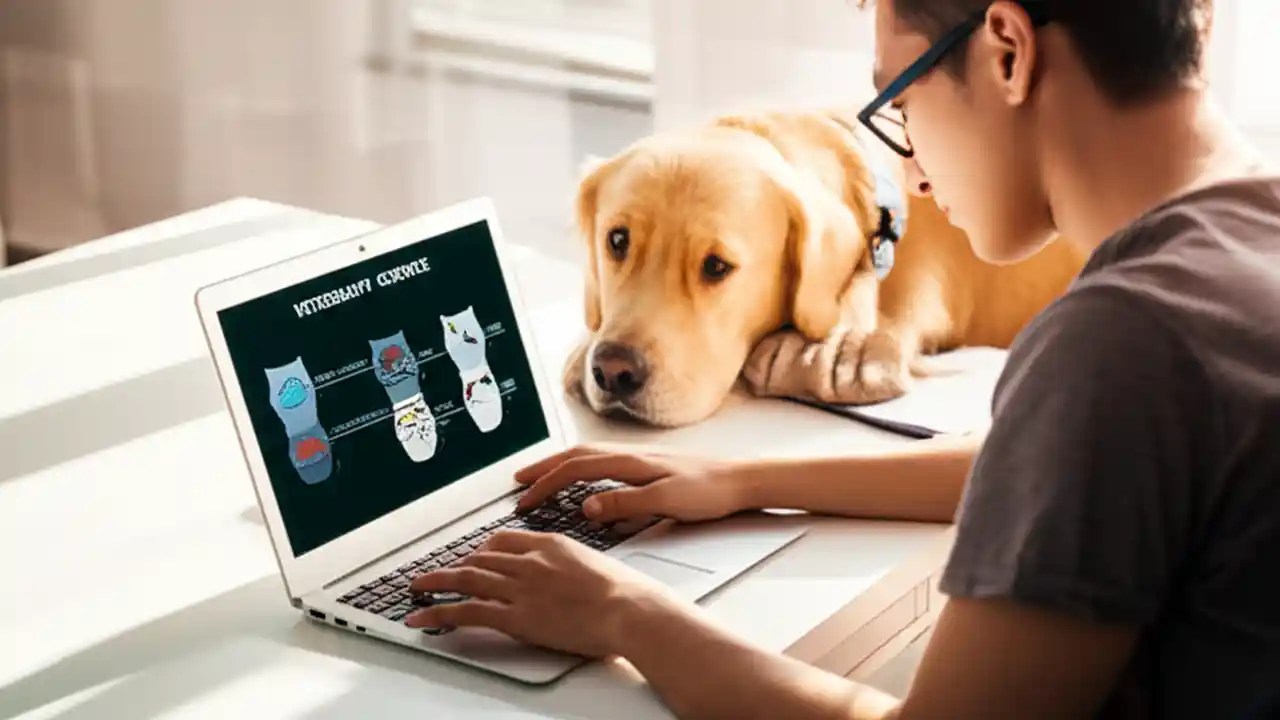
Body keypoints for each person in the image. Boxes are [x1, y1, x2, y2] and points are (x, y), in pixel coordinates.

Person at [406, 0, 1280, 717]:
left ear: (1008, 52)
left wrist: (624, 613)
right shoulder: (1248, 248)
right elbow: (1065, 469)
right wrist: (746, 482)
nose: (915, 175)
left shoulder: (1121, 343)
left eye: (900, 99)